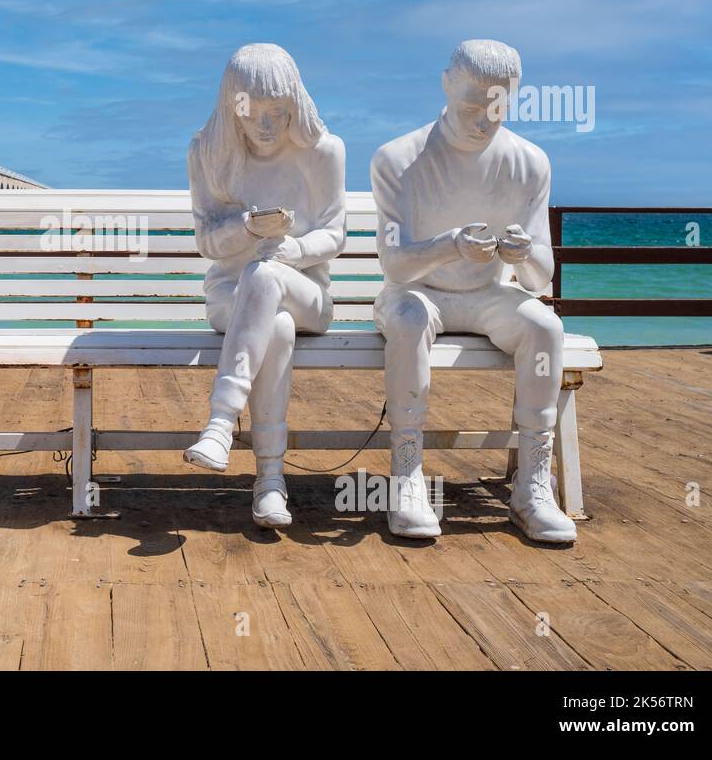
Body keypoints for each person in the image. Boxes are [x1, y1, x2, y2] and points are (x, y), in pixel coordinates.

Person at [370, 39, 575, 543]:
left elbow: (539, 278)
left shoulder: (530, 162)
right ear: (446, 84)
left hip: (487, 295)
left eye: (498, 108)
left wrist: (521, 252)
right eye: (471, 107)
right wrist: (450, 246)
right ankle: (408, 475)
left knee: (545, 325)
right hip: (414, 293)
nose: (484, 121)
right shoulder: (398, 159)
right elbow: (395, 266)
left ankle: (531, 485)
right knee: (412, 318)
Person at [183, 44, 347, 528]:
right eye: (254, 114)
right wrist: (248, 228)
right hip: (230, 299)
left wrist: (290, 250)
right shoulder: (207, 153)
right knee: (273, 326)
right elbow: (208, 241)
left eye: (279, 112)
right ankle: (269, 482)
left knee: (268, 277)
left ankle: (220, 423)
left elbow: (334, 234)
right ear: (232, 107)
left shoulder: (323, 151)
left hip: (308, 297)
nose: (269, 126)